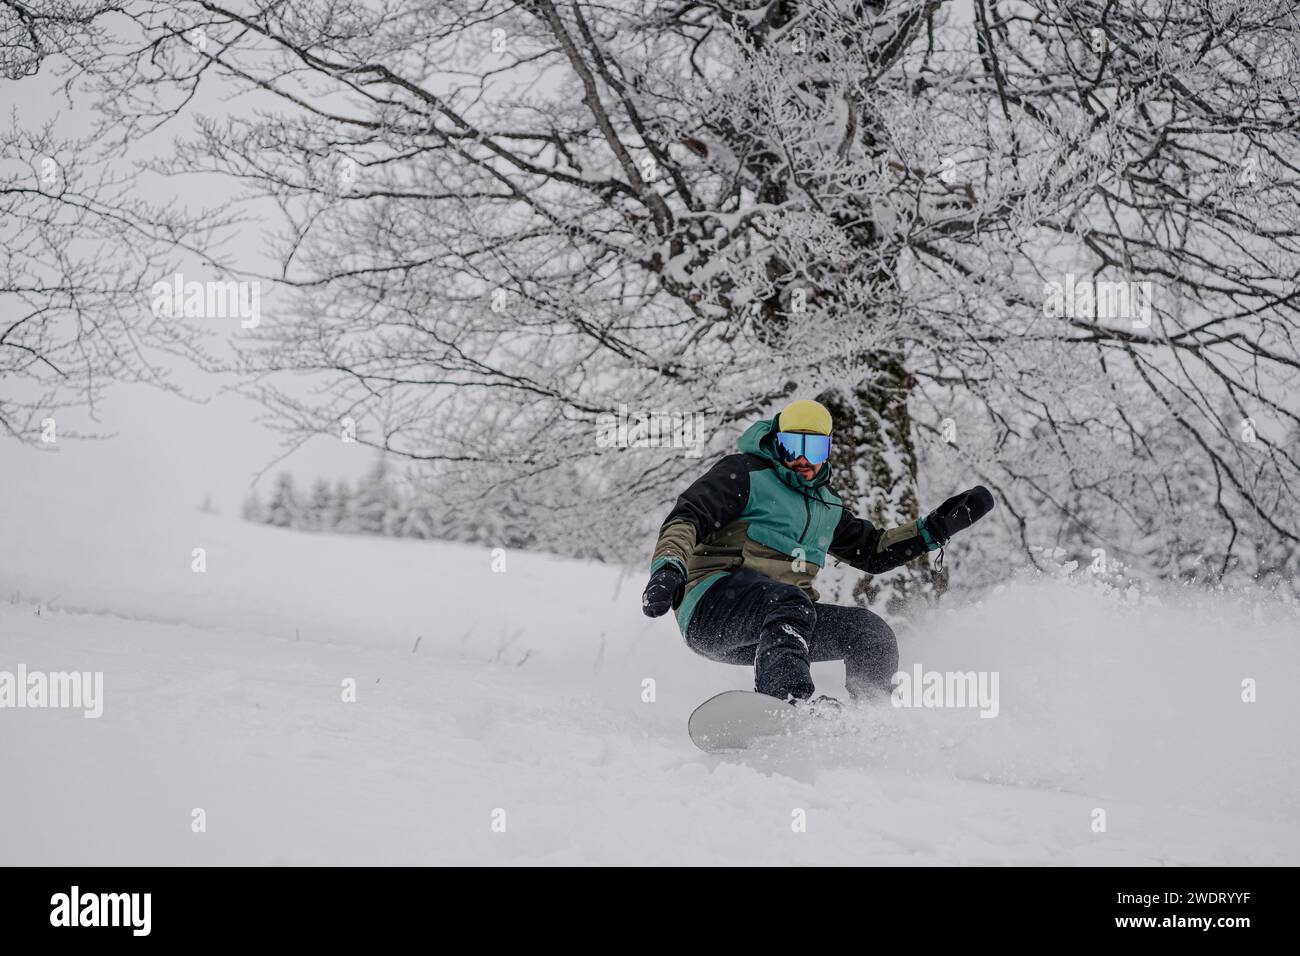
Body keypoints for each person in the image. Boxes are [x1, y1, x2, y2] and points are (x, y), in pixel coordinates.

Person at [641, 398, 993, 707]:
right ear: (777, 443)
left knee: (870, 632)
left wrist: (934, 529)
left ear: (828, 450)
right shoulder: (745, 474)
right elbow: (687, 517)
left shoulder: (827, 506)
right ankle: (786, 703)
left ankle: (870, 716)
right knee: (788, 600)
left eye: (815, 450)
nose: (803, 460)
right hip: (713, 611)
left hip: (779, 627)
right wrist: (669, 569)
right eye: (794, 446)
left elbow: (873, 552)